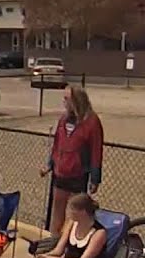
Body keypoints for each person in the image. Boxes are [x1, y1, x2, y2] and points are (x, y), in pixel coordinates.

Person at [41, 85, 104, 236]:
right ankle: (53, 240)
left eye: (66, 98)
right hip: (60, 172)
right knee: (57, 212)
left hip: (78, 174)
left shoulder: (91, 121)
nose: (64, 102)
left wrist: (95, 178)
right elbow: (57, 145)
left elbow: (96, 151)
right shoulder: (63, 119)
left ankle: (70, 242)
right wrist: (49, 165)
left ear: (76, 100)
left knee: (74, 214)